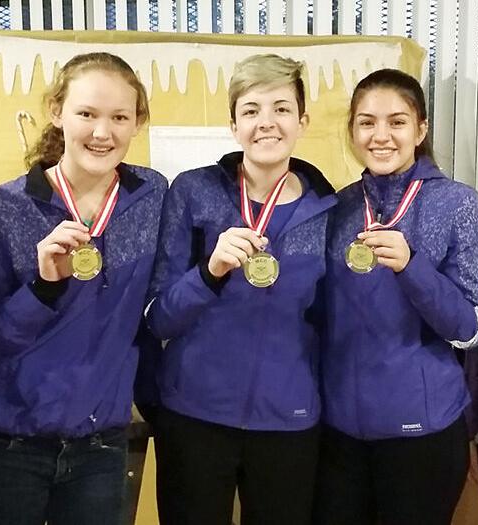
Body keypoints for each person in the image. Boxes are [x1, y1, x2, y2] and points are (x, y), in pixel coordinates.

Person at [0, 52, 166, 525]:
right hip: (11, 443)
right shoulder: (3, 208)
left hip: (101, 444)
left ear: (137, 122)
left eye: (119, 116)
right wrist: (42, 289)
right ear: (57, 111)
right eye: (87, 114)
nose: (103, 132)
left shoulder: (152, 196)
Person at [145, 53, 335, 525]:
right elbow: (158, 317)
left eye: (281, 109)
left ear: (302, 120)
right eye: (251, 110)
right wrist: (208, 273)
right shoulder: (192, 192)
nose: (266, 123)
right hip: (195, 415)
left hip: (289, 420)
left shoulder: (332, 210)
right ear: (232, 125)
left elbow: (333, 322)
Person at [313, 68, 478, 525]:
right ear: (353, 130)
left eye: (396, 122)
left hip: (422, 436)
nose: (381, 136)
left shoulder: (458, 204)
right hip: (338, 434)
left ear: (421, 128)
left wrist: (413, 267)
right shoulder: (339, 207)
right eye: (367, 122)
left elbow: (470, 329)